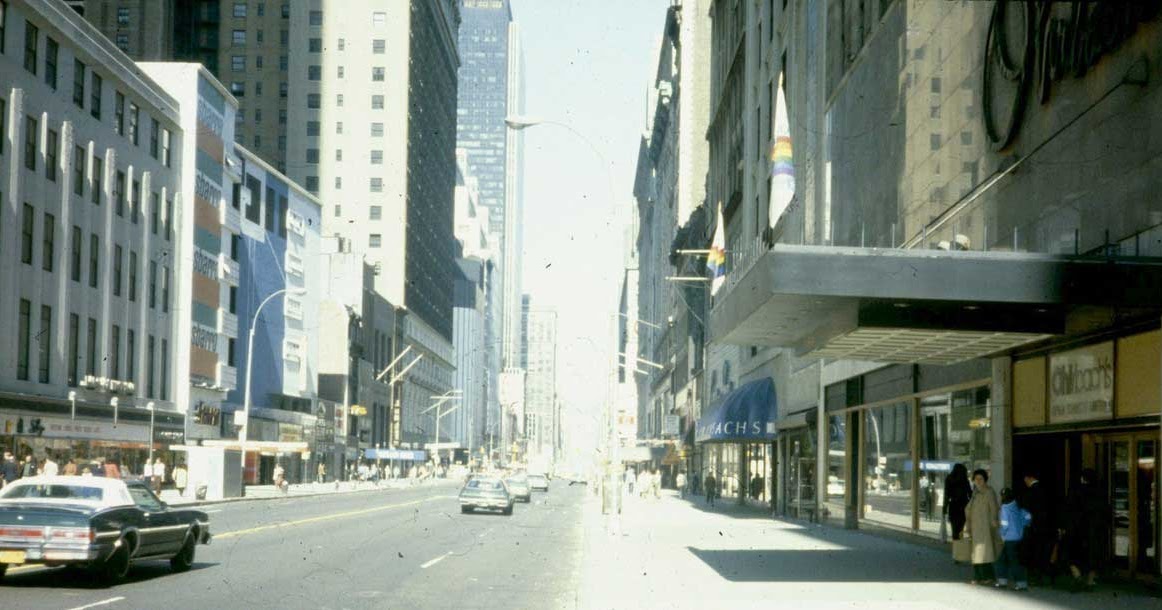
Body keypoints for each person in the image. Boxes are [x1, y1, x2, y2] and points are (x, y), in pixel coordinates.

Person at [1061, 468, 1109, 590]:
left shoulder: (1076, 491)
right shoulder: (1100, 493)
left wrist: (1066, 526)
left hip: (1078, 529)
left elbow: (1070, 510)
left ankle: (1077, 575)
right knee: (1092, 556)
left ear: (1083, 478)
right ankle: (1090, 581)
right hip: (1094, 530)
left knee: (1070, 553)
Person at [964, 468, 1000, 585]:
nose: (978, 481)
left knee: (985, 553)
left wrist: (994, 524)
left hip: (985, 527)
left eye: (981, 479)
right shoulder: (975, 493)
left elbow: (994, 509)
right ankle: (979, 576)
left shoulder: (989, 492)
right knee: (977, 553)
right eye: (976, 479)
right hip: (975, 527)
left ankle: (987, 576)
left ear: (985, 480)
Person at [995, 487, 1032, 591]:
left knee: (1011, 562)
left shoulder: (1005, 508)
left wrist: (1001, 534)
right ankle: (1004, 582)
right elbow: (1028, 516)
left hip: (1009, 538)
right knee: (1007, 560)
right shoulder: (1017, 505)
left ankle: (1020, 584)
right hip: (1019, 537)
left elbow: (1005, 525)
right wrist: (1023, 525)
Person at [1019, 469, 1053, 585]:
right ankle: (1043, 576)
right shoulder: (1046, 490)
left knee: (1032, 552)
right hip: (1045, 526)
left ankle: (1034, 577)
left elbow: (1026, 511)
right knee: (1042, 552)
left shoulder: (1029, 492)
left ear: (1028, 478)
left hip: (1032, 527)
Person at [944, 464, 972, 542]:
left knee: (954, 528)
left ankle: (956, 544)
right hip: (963, 506)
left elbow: (946, 495)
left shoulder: (949, 479)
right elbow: (970, 493)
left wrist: (945, 507)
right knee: (961, 528)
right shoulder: (964, 479)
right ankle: (959, 543)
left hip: (953, 505)